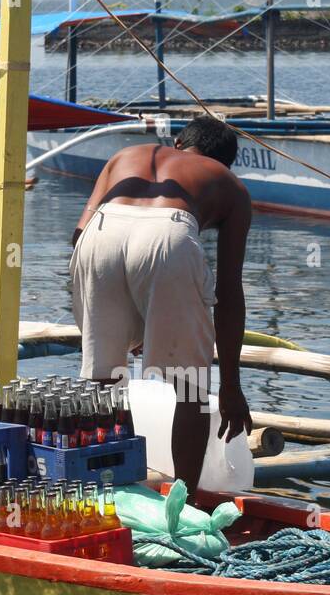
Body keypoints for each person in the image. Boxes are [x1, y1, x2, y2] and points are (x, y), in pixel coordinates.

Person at [70, 115, 253, 488]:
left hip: (101, 233)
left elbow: (78, 236)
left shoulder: (124, 156)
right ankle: (184, 505)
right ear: (224, 162)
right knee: (190, 387)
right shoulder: (229, 183)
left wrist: (134, 317)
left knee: (103, 380)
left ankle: (98, 490)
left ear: (179, 144)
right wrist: (231, 386)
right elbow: (229, 292)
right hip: (169, 235)